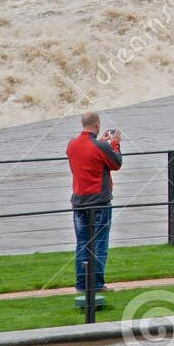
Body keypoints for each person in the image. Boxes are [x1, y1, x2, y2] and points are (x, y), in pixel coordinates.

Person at [66, 111, 122, 306]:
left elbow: (89, 154)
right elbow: (116, 163)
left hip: (79, 201)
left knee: (82, 243)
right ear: (97, 125)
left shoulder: (72, 145)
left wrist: (101, 142)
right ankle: (97, 283)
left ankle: (82, 283)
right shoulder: (100, 146)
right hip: (99, 202)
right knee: (99, 244)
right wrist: (114, 144)